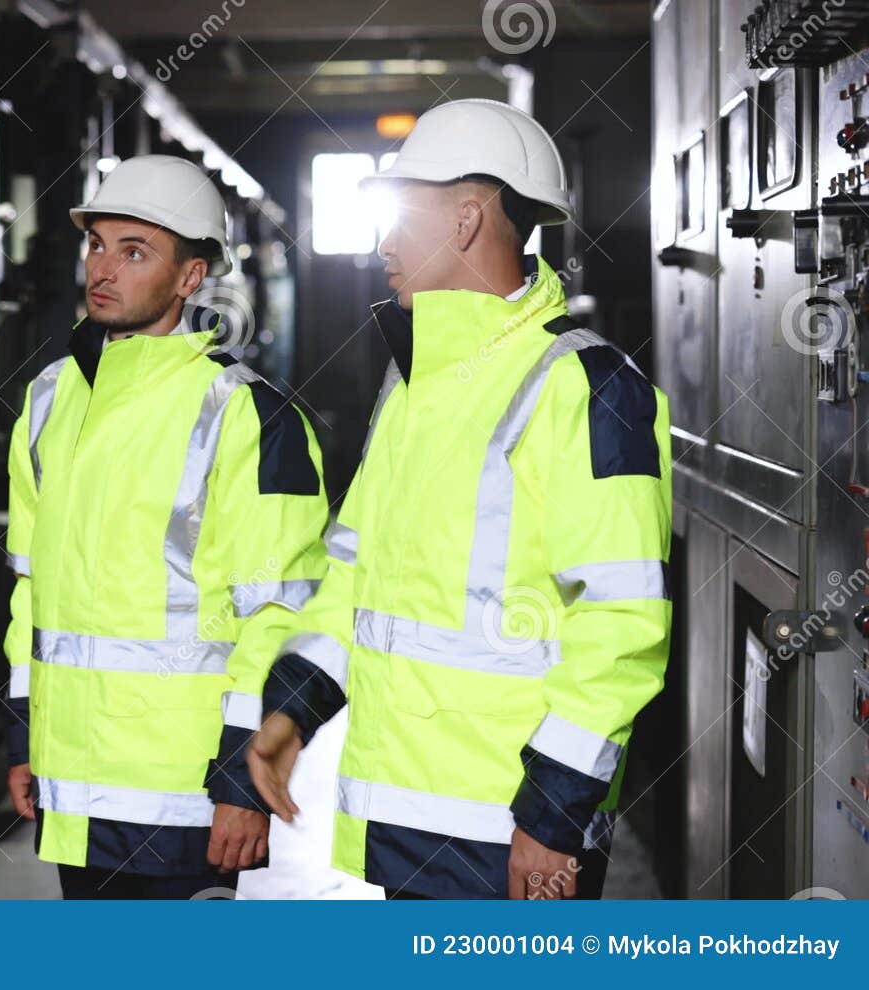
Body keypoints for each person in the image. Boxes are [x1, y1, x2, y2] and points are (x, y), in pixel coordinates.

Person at [248, 99, 672, 900]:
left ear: (470, 218)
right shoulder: (415, 385)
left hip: (511, 830)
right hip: (405, 815)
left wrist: (553, 817)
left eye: (401, 215)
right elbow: (356, 573)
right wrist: (293, 710)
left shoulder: (586, 385)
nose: (383, 244)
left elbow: (621, 624)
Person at [4, 155, 331, 899]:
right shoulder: (51, 399)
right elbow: (33, 593)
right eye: (97, 245)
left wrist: (242, 782)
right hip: (77, 790)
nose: (104, 269)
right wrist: (27, 735)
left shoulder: (245, 413)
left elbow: (276, 614)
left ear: (190, 278)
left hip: (186, 802)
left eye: (134, 251)